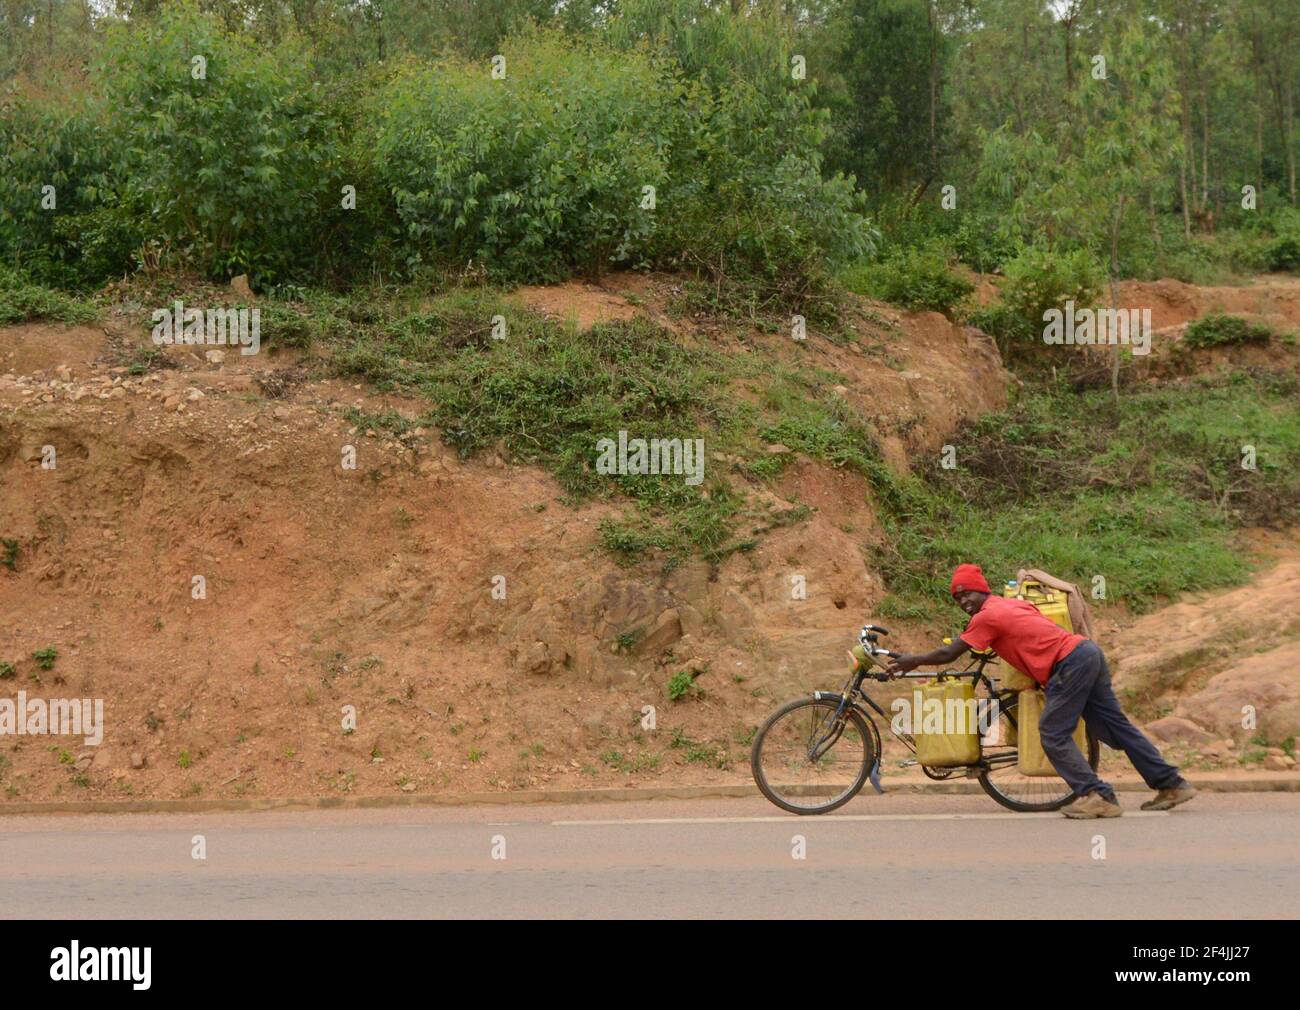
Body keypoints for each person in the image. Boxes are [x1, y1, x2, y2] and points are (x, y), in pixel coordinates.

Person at [885, 563, 1196, 818]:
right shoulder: (1010, 605)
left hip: (1070, 664)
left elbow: (948, 654)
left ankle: (1096, 795)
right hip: (1087, 654)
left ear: (983, 591)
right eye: (957, 598)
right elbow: (1027, 635)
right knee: (1116, 728)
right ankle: (1172, 783)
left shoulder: (988, 616)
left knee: (1052, 731)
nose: (964, 601)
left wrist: (911, 661)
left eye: (968, 594)